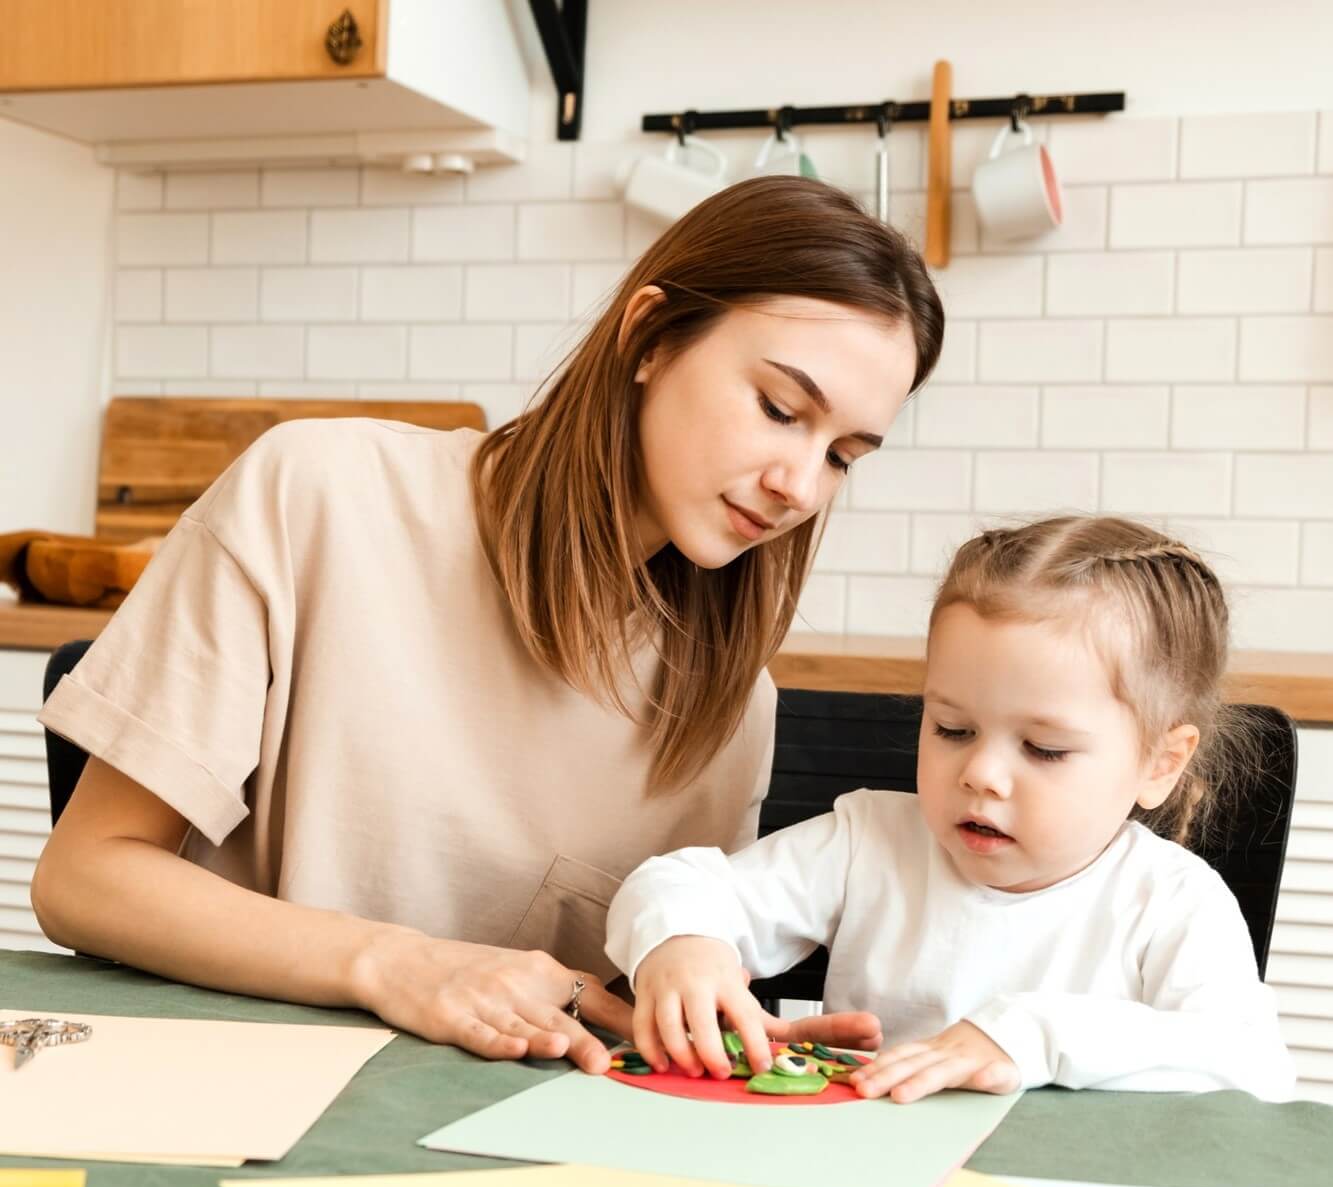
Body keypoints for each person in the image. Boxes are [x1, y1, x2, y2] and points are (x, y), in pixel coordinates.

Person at [31, 176, 943, 1071]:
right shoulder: (314, 496)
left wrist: (704, 1022)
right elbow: (83, 877)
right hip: (220, 1085)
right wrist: (394, 964)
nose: (799, 486)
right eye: (779, 409)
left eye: (841, 456)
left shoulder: (731, 710)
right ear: (650, 336)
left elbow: (604, 1007)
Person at [608, 516, 1296, 1102]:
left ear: (1160, 763)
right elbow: (675, 885)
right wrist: (681, 941)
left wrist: (1028, 1035)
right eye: (952, 729)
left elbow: (1253, 1065)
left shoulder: (1171, 901)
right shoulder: (869, 842)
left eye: (1044, 748)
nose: (982, 774)